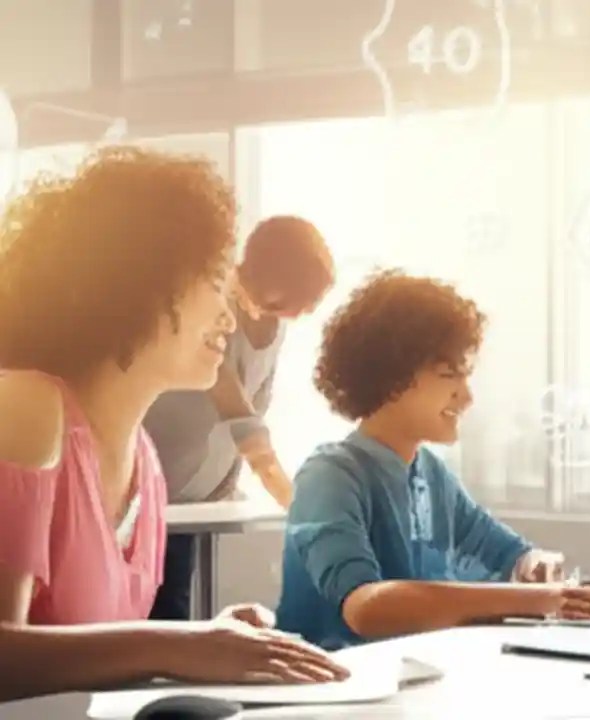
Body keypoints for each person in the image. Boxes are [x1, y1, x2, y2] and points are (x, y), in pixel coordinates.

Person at [0, 147, 345, 700]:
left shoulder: (147, 465)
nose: (229, 315)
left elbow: (99, 662)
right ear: (140, 282)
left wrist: (210, 640)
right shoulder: (27, 409)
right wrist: (178, 644)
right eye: (213, 280)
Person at [275, 270, 590, 649]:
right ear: (389, 375)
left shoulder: (431, 473)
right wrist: (546, 600)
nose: (466, 398)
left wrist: (534, 565)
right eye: (449, 375)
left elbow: (504, 552)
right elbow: (367, 608)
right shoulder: (329, 476)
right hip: (333, 693)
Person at [146, 215, 334, 622]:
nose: (299, 311)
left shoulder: (274, 324)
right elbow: (240, 415)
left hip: (203, 493)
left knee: (180, 601)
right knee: (162, 607)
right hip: (163, 483)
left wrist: (229, 484)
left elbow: (258, 403)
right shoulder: (214, 313)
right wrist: (296, 504)